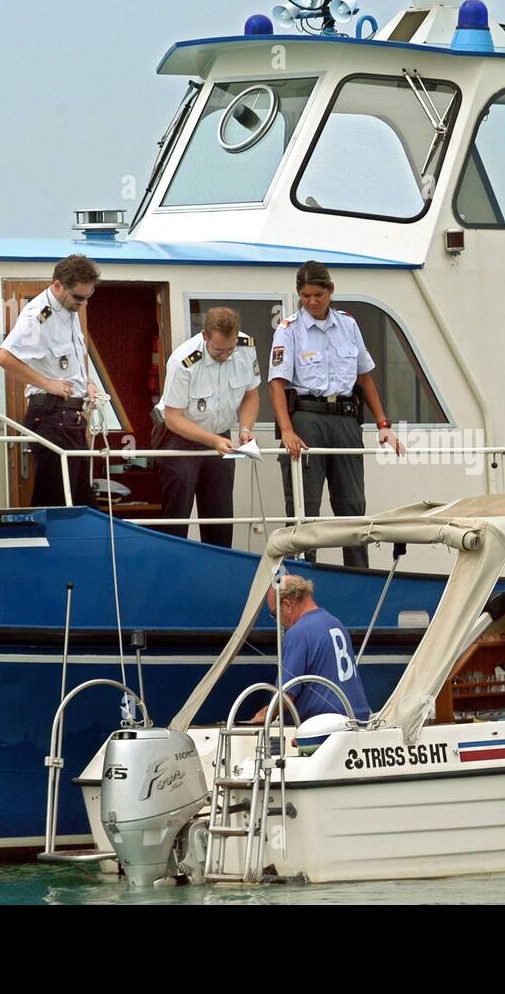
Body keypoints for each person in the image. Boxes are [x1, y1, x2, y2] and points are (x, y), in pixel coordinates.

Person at [269, 261, 404, 569]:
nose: (312, 302)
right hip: (307, 418)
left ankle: (358, 576)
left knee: (352, 507)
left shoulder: (348, 324)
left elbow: (364, 377)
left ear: (330, 291)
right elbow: (276, 384)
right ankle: (302, 579)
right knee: (305, 508)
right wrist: (287, 430)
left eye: (317, 294)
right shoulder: (289, 330)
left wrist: (383, 424)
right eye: (305, 296)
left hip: (345, 418)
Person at [0, 254, 101, 506]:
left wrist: (87, 383)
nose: (83, 304)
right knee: (56, 498)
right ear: (57, 286)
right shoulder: (38, 316)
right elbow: (4, 357)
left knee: (79, 498)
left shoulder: (69, 310)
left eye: (87, 297)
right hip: (53, 417)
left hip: (69, 418)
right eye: (78, 297)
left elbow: (70, 360)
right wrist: (48, 383)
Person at [154, 307, 260, 546]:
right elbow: (173, 417)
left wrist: (245, 429)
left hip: (221, 436)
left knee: (220, 515)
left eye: (230, 350)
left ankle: (219, 575)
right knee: (177, 517)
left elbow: (251, 395)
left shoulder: (246, 348)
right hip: (180, 437)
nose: (225, 356)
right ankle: (173, 572)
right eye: (218, 350)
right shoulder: (184, 360)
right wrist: (213, 441)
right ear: (204, 336)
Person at [251, 574, 372, 724]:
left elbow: (285, 695)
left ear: (287, 605)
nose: (278, 621)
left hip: (326, 726)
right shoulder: (335, 623)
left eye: (274, 614)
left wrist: (263, 715)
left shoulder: (298, 633)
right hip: (357, 720)